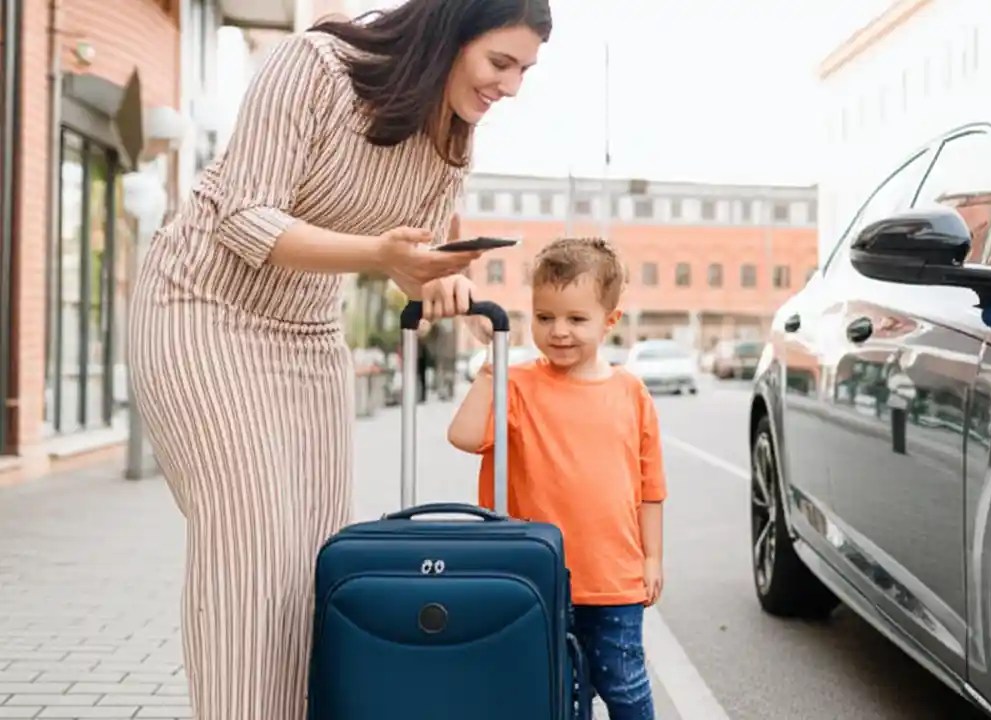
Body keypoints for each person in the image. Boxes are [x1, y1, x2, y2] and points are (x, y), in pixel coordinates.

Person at [125, 1, 552, 718]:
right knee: (250, 546)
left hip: (309, 330)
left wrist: (442, 275)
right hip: (202, 308)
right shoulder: (315, 67)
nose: (509, 88)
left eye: (524, 72)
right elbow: (241, 216)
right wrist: (378, 256)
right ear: (448, 33)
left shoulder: (454, 134)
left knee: (313, 563)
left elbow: (415, 251)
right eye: (499, 64)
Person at [447, 237, 666, 720]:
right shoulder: (518, 384)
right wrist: (491, 372)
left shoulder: (631, 392)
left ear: (610, 321)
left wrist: (652, 558)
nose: (559, 331)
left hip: (613, 581)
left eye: (576, 319)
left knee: (624, 685)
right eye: (544, 318)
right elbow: (463, 435)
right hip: (538, 578)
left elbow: (651, 488)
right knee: (561, 694)